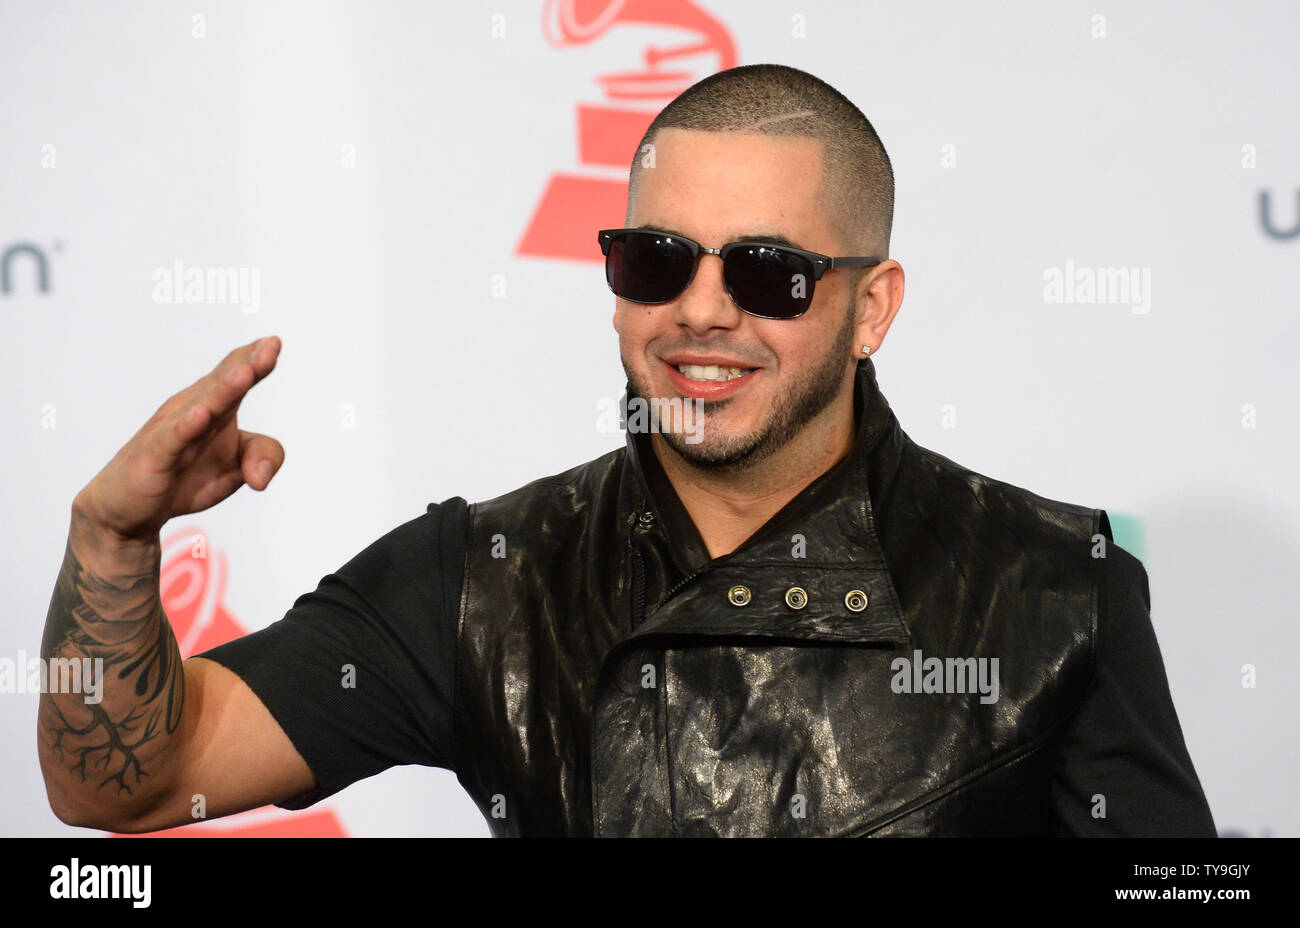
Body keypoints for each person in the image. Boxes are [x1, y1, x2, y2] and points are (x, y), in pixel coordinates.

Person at [38, 63, 1216, 837]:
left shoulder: (1057, 586)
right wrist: (114, 542)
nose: (702, 312)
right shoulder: (486, 578)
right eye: (657, 259)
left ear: (872, 307)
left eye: (769, 272)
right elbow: (124, 779)